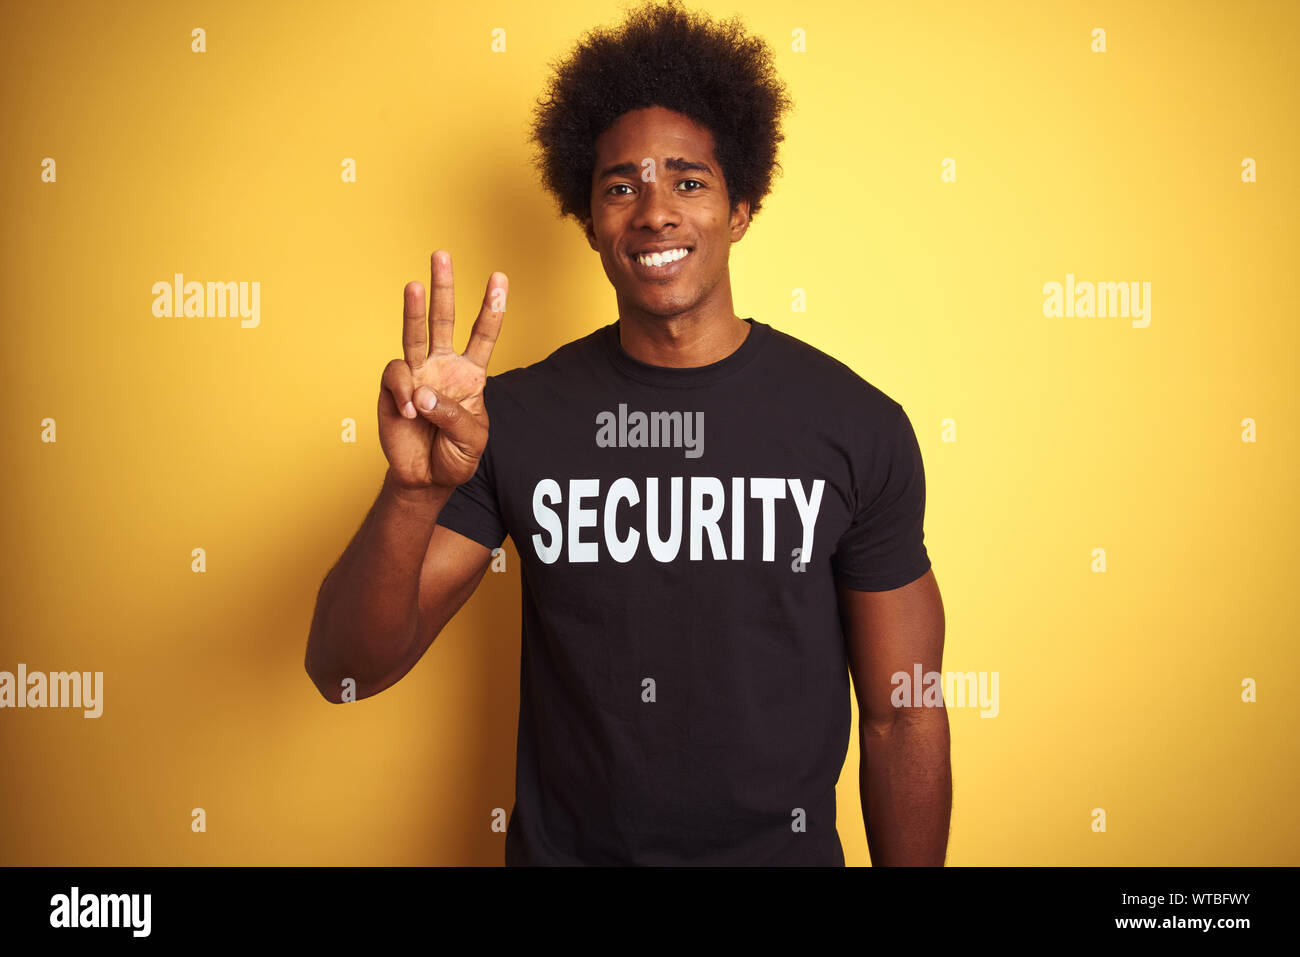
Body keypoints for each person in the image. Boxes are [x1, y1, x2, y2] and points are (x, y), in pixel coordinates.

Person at [305, 0, 949, 866]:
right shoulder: (512, 421)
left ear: (741, 207)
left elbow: (903, 710)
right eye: (621, 186)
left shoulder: (853, 425)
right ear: (591, 221)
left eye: (688, 181)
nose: (654, 211)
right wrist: (412, 491)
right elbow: (348, 668)